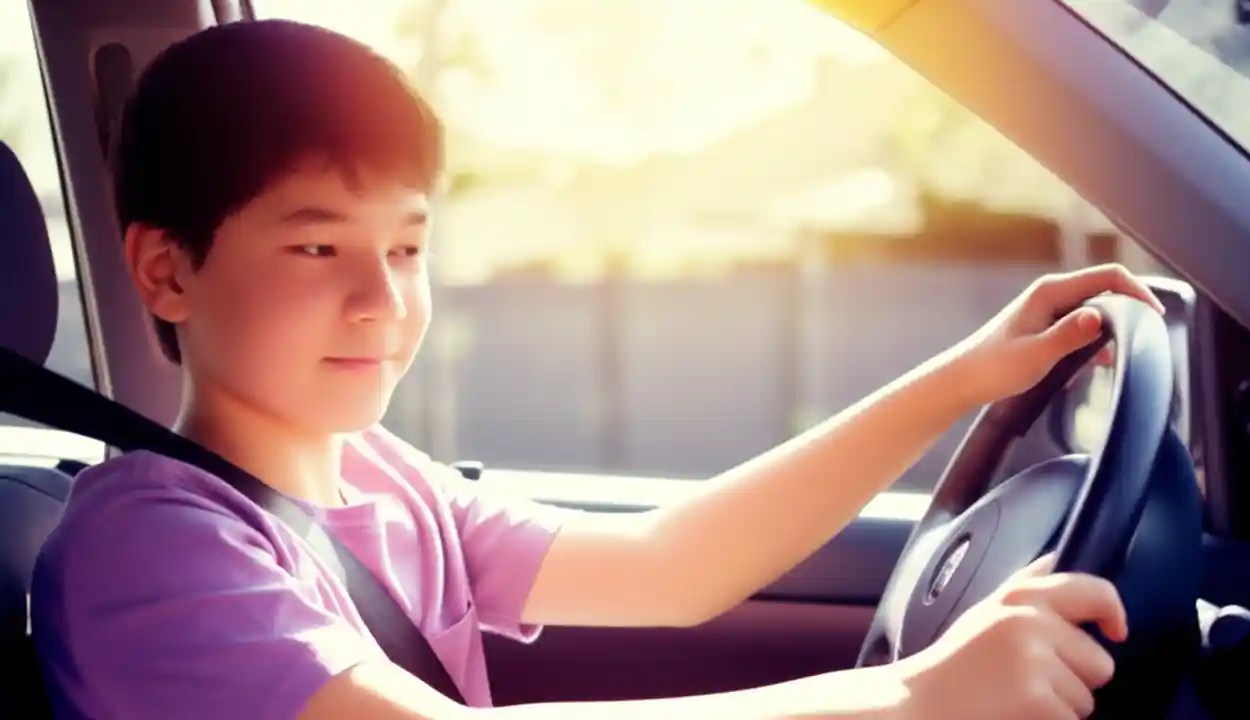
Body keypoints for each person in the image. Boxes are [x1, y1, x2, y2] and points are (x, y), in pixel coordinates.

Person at [31, 19, 1162, 720]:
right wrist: (909, 699)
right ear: (167, 274)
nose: (381, 298)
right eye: (317, 247)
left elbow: (670, 567)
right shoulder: (150, 549)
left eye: (409, 248)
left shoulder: (384, 481)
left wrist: (963, 376)